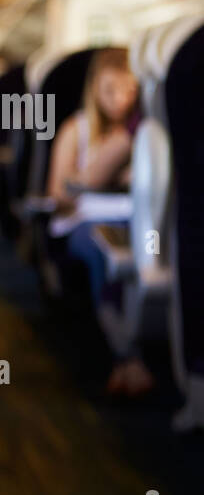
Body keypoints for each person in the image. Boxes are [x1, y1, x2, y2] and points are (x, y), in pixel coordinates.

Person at [45, 47, 146, 395]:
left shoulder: (144, 137)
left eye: (129, 91)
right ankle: (126, 357)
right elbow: (55, 195)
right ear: (94, 89)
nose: (120, 100)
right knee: (102, 255)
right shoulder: (78, 129)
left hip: (126, 221)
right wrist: (92, 179)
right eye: (110, 91)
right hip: (80, 223)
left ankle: (132, 354)